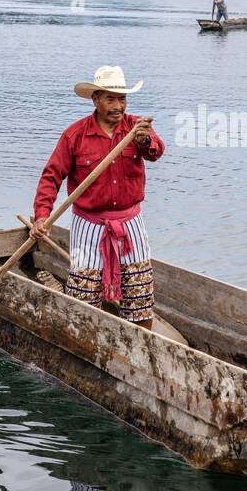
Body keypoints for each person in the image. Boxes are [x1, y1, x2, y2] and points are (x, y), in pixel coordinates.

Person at [32, 65, 164, 329]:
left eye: (122, 99)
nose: (118, 106)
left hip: (129, 225)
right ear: (95, 100)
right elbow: (51, 177)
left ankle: (142, 341)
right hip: (88, 225)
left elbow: (155, 152)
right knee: (83, 295)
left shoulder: (136, 129)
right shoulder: (75, 135)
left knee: (139, 295)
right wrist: (42, 216)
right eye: (110, 99)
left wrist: (144, 141)